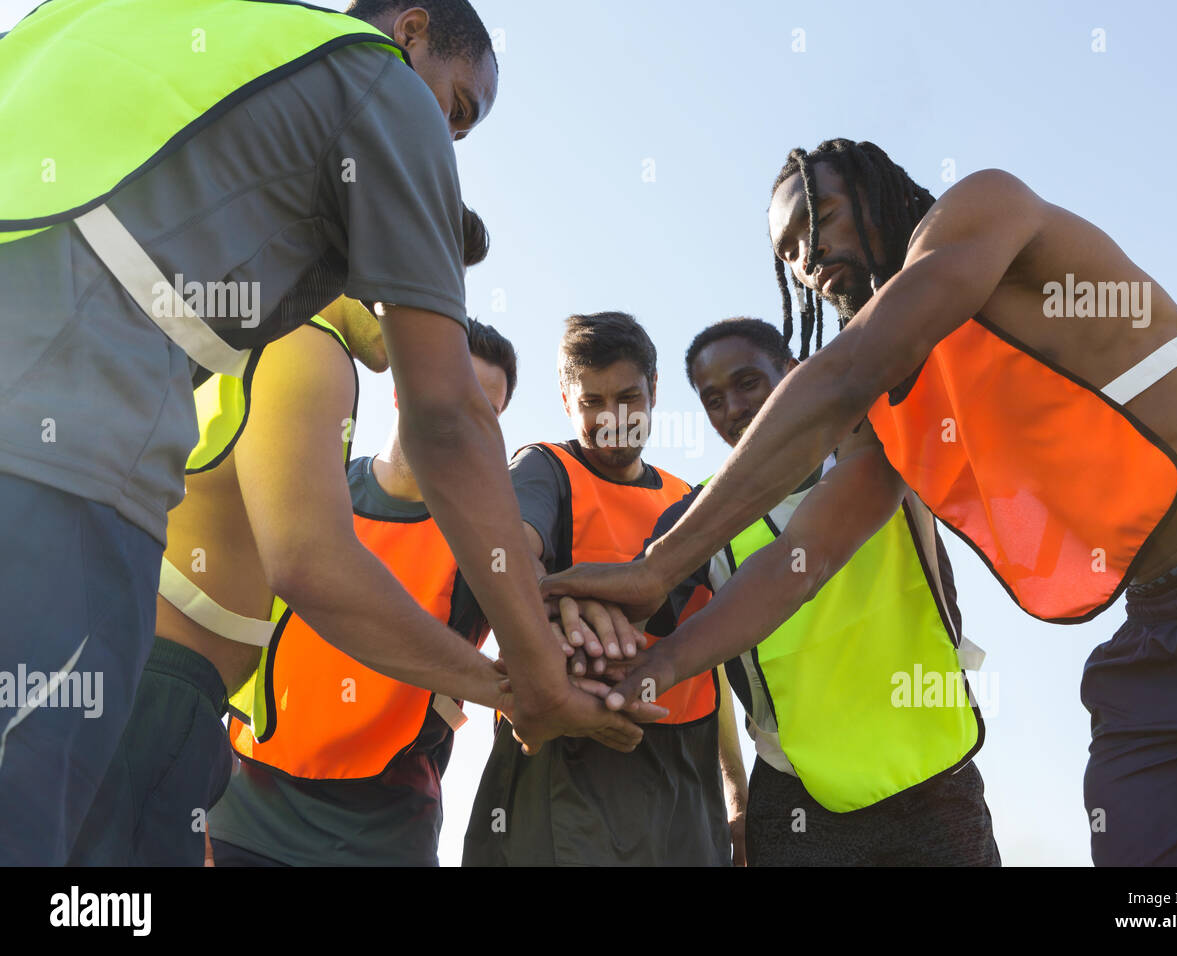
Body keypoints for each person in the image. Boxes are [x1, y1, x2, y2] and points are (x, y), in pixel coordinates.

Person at [546, 138, 1177, 867]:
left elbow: (841, 375)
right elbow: (802, 561)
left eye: (820, 221)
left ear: (876, 194)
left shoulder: (987, 207)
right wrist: (656, 667)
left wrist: (654, 570)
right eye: (788, 255)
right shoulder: (892, 403)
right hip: (1162, 626)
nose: (807, 262)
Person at [0, 0, 632, 866]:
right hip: (65, 475)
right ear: (410, 30)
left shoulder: (194, 50)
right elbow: (388, 477)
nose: (442, 146)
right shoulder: (372, 103)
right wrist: (528, 682)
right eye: (454, 107)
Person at [636, 315, 999, 865]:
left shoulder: (888, 446)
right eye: (712, 399)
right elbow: (636, 623)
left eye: (747, 383)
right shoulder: (691, 520)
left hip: (936, 783)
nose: (732, 408)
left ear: (795, 374)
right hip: (798, 799)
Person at [208, 318, 519, 867]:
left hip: (384, 836)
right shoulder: (304, 492)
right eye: (444, 395)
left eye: (482, 411)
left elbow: (539, 639)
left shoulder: (489, 549)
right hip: (243, 814)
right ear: (401, 390)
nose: (457, 420)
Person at [462, 312, 736, 866]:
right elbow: (509, 550)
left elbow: (717, 661)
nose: (612, 419)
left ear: (655, 389)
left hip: (686, 766)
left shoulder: (694, 499)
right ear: (567, 402)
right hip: (567, 757)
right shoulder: (544, 467)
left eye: (629, 397)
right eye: (592, 402)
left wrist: (735, 788)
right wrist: (564, 607)